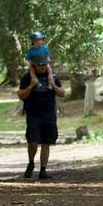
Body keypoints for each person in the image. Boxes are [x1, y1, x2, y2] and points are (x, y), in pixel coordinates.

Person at [18, 47, 64, 180]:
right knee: (32, 142)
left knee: (46, 143)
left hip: (49, 115)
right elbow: (21, 95)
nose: (42, 67)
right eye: (40, 65)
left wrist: (53, 85)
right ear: (34, 65)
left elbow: (62, 93)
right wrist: (31, 86)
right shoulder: (27, 78)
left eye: (44, 65)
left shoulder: (53, 77)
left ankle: (43, 170)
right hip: (33, 115)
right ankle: (31, 162)